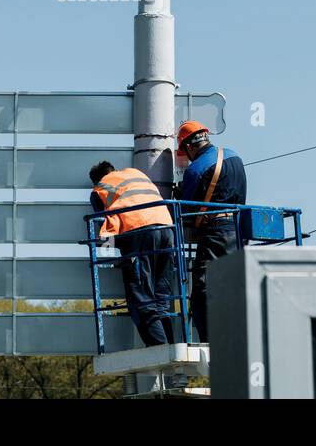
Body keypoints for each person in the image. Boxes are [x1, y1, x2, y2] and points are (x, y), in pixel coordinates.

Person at [88, 161, 176, 346]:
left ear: (96, 180)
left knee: (141, 299)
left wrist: (111, 250)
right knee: (162, 297)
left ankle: (160, 349)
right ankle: (171, 346)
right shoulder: (137, 174)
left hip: (139, 233)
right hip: (167, 229)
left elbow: (106, 227)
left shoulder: (99, 189)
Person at [176, 120, 246, 343]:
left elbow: (186, 208)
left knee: (202, 289)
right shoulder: (235, 156)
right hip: (237, 229)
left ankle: (210, 340)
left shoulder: (196, 169)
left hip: (216, 233)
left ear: (188, 146)